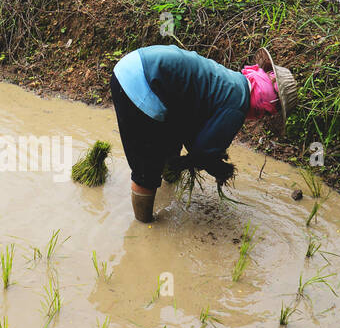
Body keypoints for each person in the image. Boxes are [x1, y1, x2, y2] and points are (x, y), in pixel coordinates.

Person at [110, 44, 298, 223]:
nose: (260, 117)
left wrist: (202, 157)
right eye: (266, 113)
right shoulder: (237, 104)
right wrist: (219, 169)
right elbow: (203, 151)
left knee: (170, 145)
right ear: (265, 103)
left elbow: (191, 130)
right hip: (139, 82)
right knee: (147, 169)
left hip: (141, 68)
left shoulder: (233, 81)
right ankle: (144, 231)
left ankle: (167, 185)